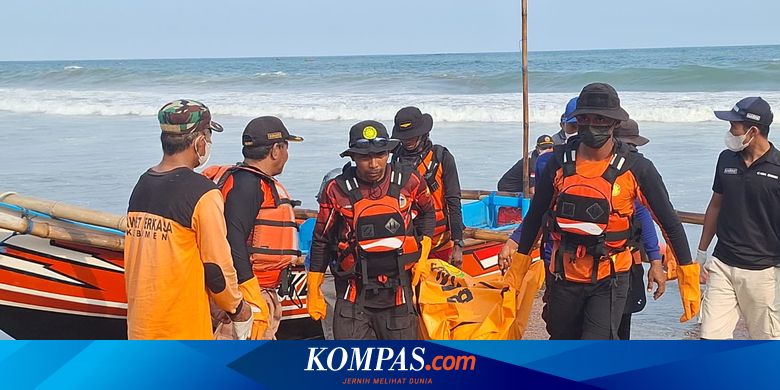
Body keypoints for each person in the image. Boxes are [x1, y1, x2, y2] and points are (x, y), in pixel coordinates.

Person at [497, 83, 700, 340]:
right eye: (584, 118)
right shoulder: (559, 162)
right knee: (561, 344)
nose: (591, 125)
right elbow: (537, 216)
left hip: (610, 277)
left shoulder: (637, 168)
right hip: (563, 275)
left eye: (600, 119)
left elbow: (668, 222)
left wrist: (686, 275)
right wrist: (519, 267)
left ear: (614, 123)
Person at [124, 99, 251, 340]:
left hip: (140, 327)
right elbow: (216, 268)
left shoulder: (143, 184)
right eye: (209, 136)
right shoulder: (202, 193)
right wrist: (238, 308)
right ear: (199, 142)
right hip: (182, 330)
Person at [307, 120, 435, 340]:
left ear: (388, 154)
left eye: (380, 155)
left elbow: (428, 213)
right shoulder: (335, 189)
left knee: (400, 367)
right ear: (353, 157)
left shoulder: (410, 181)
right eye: (365, 157)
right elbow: (321, 239)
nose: (374, 163)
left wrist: (423, 255)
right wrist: (313, 288)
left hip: (398, 293)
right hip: (352, 293)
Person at [203, 116, 303, 340]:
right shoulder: (250, 185)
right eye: (285, 147)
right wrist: (250, 294)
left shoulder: (243, 181)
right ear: (276, 150)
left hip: (248, 292)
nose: (287, 155)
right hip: (247, 295)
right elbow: (233, 240)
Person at [697, 97, 780, 339]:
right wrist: (701, 254)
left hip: (764, 271)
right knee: (709, 338)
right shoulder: (726, 159)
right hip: (722, 263)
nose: (730, 131)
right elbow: (715, 206)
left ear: (753, 131)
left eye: (734, 126)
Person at [612, 119, 666, 340]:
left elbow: (645, 216)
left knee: (620, 323)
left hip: (627, 260)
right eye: (630, 147)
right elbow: (647, 217)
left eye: (634, 148)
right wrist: (655, 260)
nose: (632, 152)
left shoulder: (629, 171)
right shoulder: (628, 171)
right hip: (619, 263)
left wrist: (655, 260)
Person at [391, 107, 464, 265]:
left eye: (412, 137)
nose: (407, 141)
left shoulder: (441, 157)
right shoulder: (395, 158)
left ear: (423, 133)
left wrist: (458, 243)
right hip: (408, 238)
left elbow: (453, 200)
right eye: (404, 138)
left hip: (439, 241)